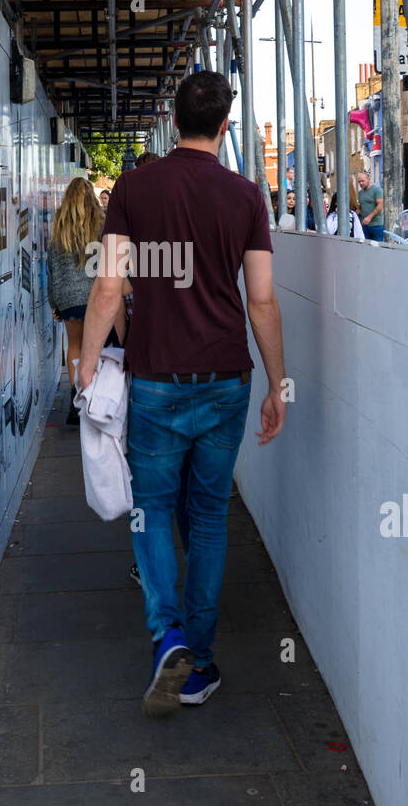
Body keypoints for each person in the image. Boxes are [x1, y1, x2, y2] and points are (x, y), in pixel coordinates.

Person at [78, 70, 286, 716]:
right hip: (225, 380)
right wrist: (278, 383)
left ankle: (166, 634)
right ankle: (199, 659)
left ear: (172, 121)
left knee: (151, 511)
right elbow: (260, 300)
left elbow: (109, 287)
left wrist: (86, 367)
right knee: (206, 518)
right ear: (225, 125)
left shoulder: (135, 189)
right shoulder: (247, 196)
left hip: (157, 383)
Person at [47, 177, 125, 425]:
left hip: (67, 298)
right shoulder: (102, 224)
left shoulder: (59, 228)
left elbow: (52, 268)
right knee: (100, 346)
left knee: (75, 346)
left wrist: (54, 303)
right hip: (94, 294)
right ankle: (98, 397)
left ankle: (76, 399)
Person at [357, 170, 384, 241]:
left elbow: (380, 205)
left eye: (363, 181)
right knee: (366, 248)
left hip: (376, 225)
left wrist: (369, 217)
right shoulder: (360, 193)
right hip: (364, 225)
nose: (361, 183)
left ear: (369, 179)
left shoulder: (377, 190)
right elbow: (360, 207)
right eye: (359, 182)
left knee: (377, 247)